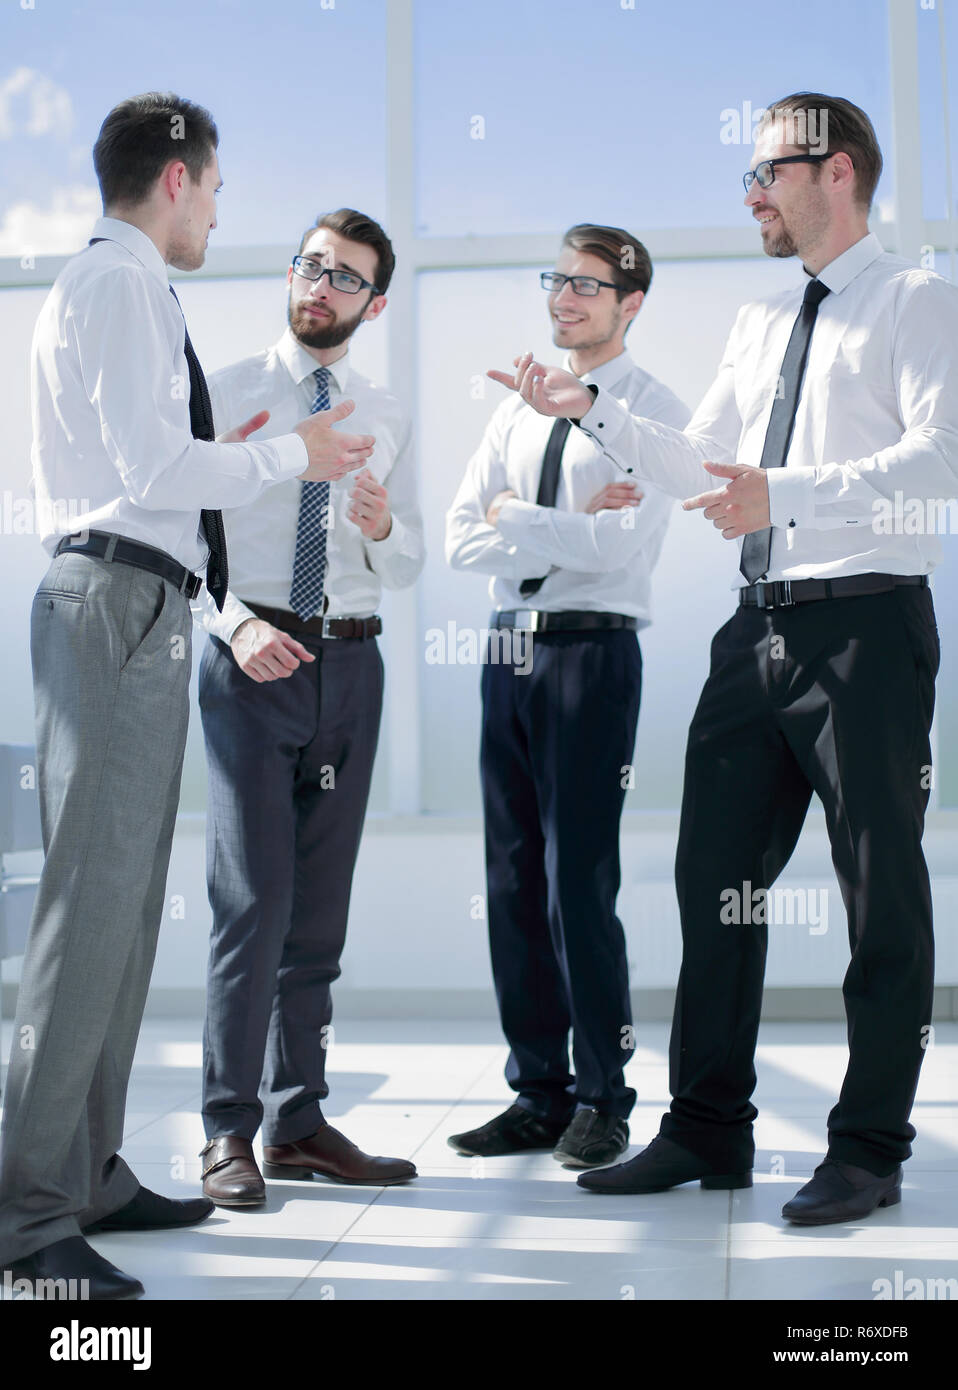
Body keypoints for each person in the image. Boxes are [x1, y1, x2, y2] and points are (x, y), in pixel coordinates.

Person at [491, 94, 958, 1222]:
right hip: (756, 631)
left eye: (766, 171)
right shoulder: (760, 319)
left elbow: (939, 459)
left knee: (875, 890)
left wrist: (781, 493)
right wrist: (589, 404)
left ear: (836, 170)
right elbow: (706, 459)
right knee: (717, 886)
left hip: (866, 626)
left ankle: (868, 1147)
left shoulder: (919, 299)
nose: (749, 192)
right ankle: (707, 1128)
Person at [0, 94, 375, 1300]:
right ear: (174, 179)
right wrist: (281, 457)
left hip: (146, 602)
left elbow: (160, 461)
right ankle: (29, 1214)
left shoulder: (130, 292)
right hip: (113, 599)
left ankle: (91, 1170)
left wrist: (238, 449)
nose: (218, 211)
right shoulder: (118, 285)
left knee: (120, 910)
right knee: (87, 911)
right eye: (214, 188)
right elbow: (150, 468)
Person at [445, 224, 689, 1169]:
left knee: (577, 880)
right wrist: (550, 524)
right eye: (558, 281)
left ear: (631, 303)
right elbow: (467, 538)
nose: (565, 299)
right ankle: (537, 1093)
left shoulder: (652, 414)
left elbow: (617, 552)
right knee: (511, 877)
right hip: (506, 648)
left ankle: (604, 1097)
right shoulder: (513, 407)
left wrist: (517, 519)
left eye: (589, 286)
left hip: (593, 653)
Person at [193, 210, 424, 1206]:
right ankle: (226, 1132)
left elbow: (408, 561)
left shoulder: (386, 408)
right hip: (254, 655)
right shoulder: (227, 391)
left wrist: (381, 526)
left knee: (318, 915)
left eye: (346, 277)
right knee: (253, 903)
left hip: (351, 662)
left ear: (375, 302)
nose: (321, 285)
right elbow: (183, 541)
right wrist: (234, 625)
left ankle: (297, 1121)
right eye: (311, 265)